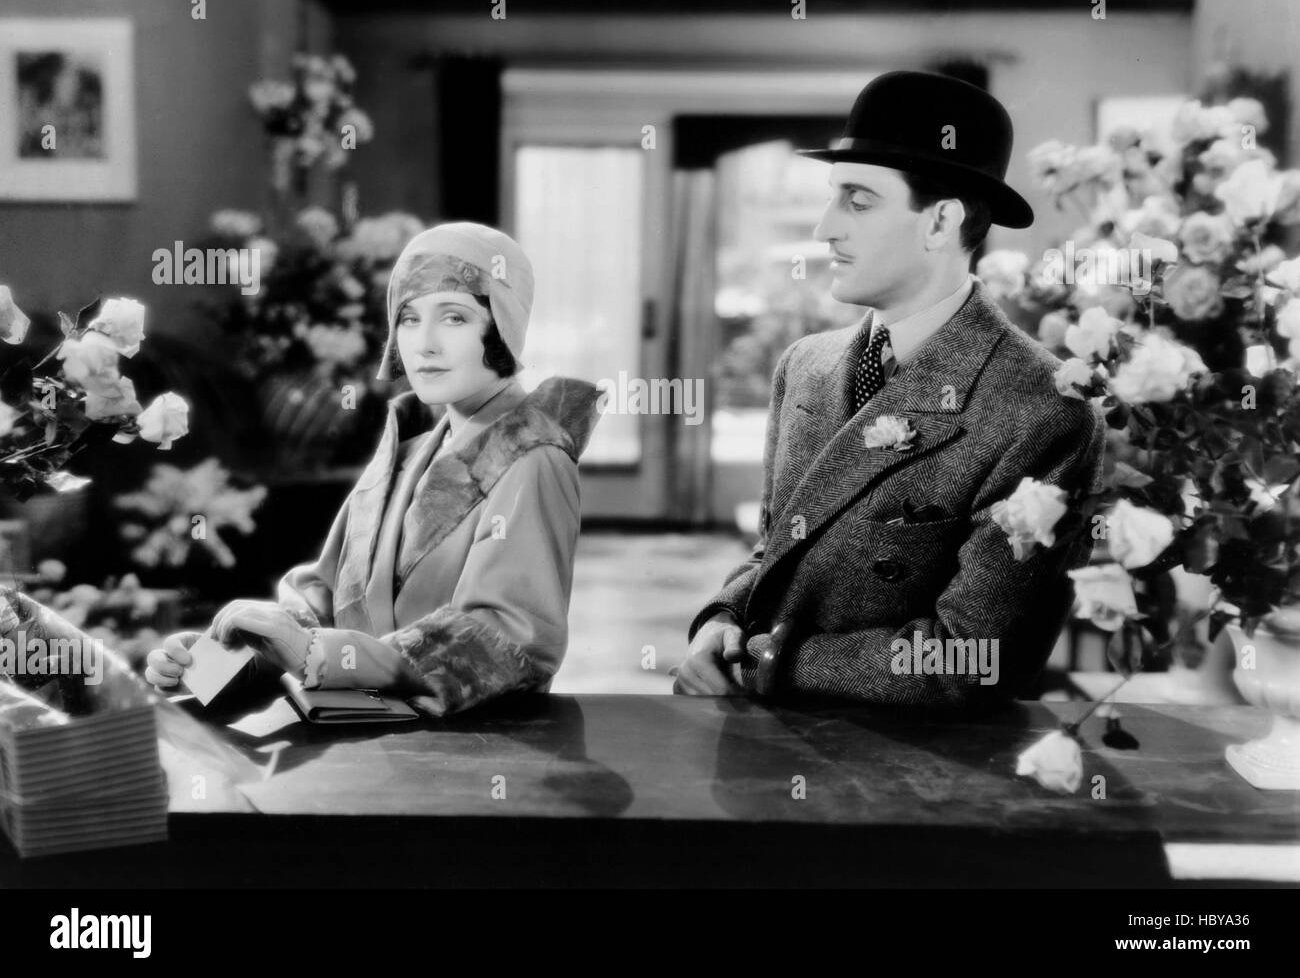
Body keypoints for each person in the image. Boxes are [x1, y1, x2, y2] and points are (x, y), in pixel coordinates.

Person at [675, 71, 1104, 707]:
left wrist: (767, 663)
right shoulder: (806, 366)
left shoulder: (1043, 410)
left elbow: (972, 656)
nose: (824, 228)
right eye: (833, 197)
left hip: (913, 775)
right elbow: (778, 549)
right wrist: (722, 619)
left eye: (857, 200)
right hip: (757, 752)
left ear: (940, 222)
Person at [147, 223, 602, 717]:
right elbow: (323, 600)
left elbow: (508, 641)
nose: (424, 344)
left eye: (454, 317)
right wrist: (228, 652)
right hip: (366, 742)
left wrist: (319, 654)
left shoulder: (534, 458)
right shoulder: (412, 449)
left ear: (504, 326)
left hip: (477, 753)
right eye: (408, 318)